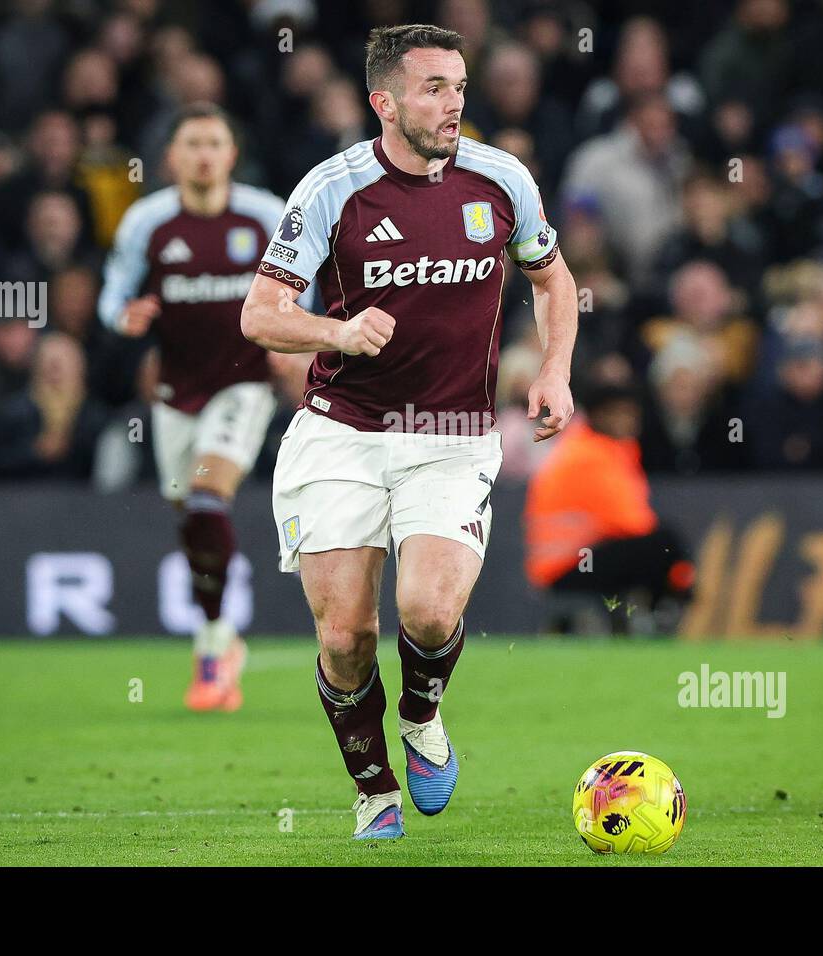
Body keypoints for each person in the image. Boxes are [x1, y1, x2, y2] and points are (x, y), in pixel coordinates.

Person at [241, 24, 577, 840]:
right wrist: (337, 333)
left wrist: (556, 368)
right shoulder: (334, 188)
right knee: (347, 635)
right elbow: (260, 314)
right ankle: (373, 791)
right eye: (433, 87)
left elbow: (552, 277)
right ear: (383, 101)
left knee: (426, 612)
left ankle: (422, 716)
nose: (454, 102)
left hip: (453, 434)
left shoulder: (502, 179)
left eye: (459, 86)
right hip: (342, 432)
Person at [99, 102, 309, 712]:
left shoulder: (266, 216)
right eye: (192, 143)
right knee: (193, 521)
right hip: (174, 392)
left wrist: (292, 343)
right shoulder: (148, 223)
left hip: (243, 381)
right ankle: (218, 637)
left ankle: (212, 651)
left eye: (214, 142)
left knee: (205, 496)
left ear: (231, 155)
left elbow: (304, 285)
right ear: (173, 157)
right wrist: (123, 316)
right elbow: (115, 289)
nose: (203, 154)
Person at [524, 379, 695, 626]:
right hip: (567, 565)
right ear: (599, 415)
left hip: (561, 562)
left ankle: (639, 616)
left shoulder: (583, 447)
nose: (630, 420)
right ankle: (662, 614)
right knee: (663, 544)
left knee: (651, 548)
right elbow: (632, 523)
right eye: (622, 413)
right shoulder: (593, 456)